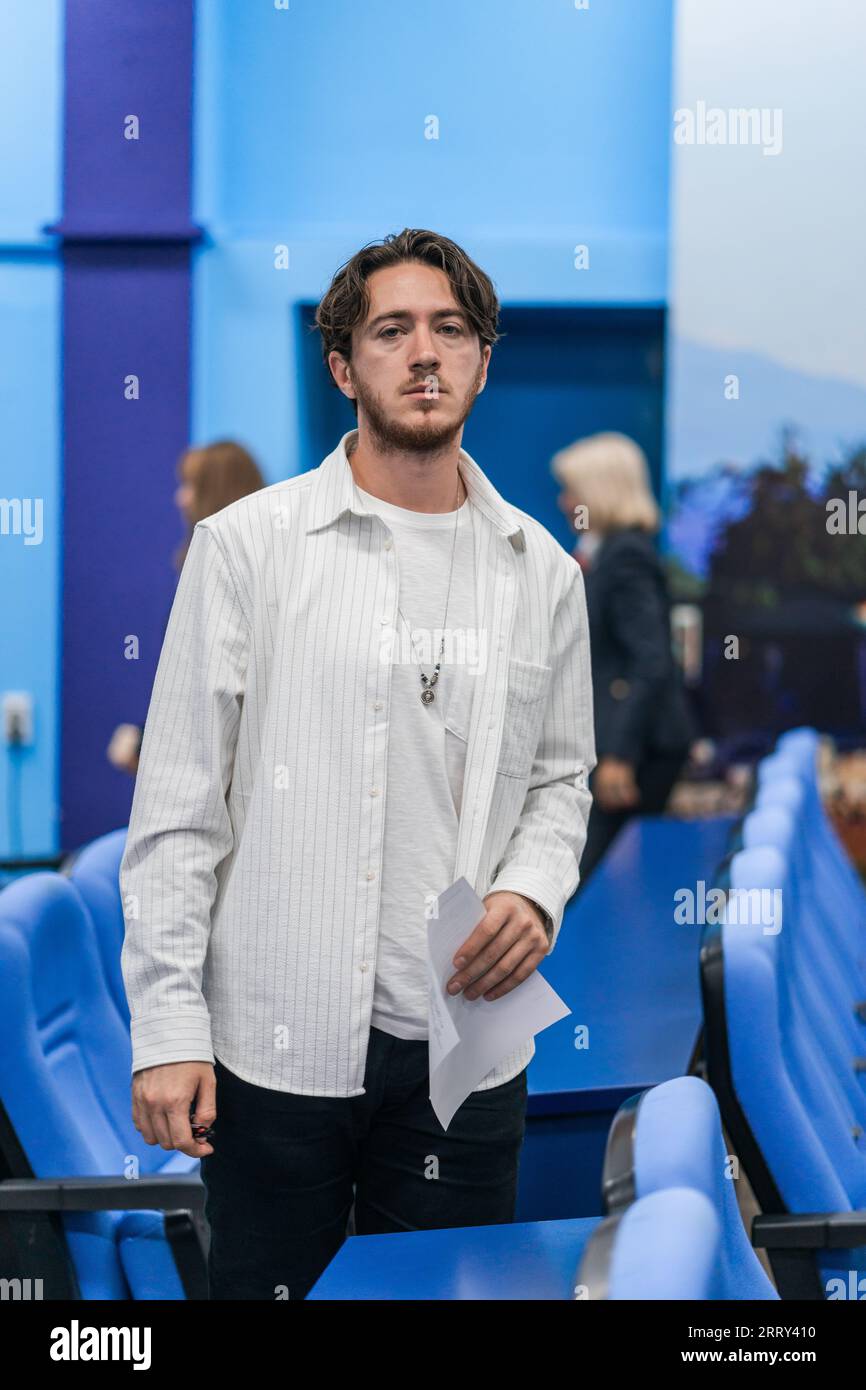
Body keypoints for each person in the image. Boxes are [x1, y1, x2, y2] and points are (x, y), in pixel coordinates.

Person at [119, 228, 596, 1300]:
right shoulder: (247, 548)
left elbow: (560, 777)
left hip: (464, 1045)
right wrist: (166, 1028)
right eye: (391, 330)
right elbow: (178, 809)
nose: (423, 353)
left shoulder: (541, 575)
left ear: (481, 359)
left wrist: (531, 887)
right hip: (273, 1043)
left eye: (451, 330)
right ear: (344, 367)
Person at [552, 430, 695, 883]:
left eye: (572, 490)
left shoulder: (626, 556)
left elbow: (649, 662)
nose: (563, 501)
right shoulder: (609, 553)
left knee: (583, 876)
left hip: (641, 750)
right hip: (631, 744)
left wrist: (619, 754)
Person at [107, 441, 264, 775]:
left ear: (216, 493)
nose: (181, 498)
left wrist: (143, 743)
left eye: (191, 486)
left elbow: (206, 692)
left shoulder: (225, 573)